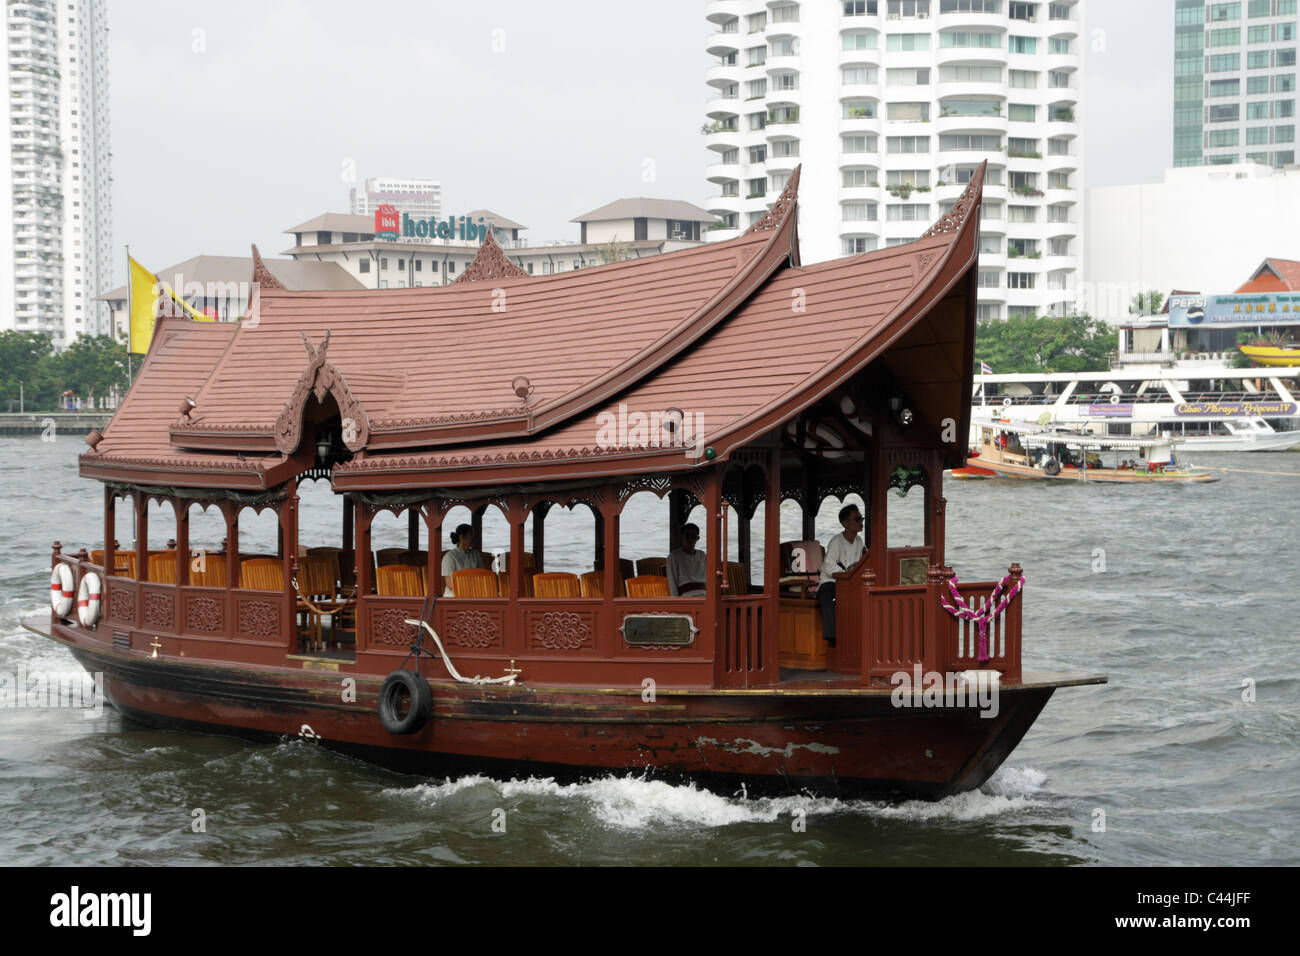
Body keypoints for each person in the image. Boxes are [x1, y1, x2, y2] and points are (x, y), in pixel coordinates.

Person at [817, 504, 867, 647]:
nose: (861, 522)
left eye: (861, 519)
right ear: (845, 523)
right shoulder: (836, 541)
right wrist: (846, 576)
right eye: (857, 519)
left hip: (851, 583)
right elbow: (828, 567)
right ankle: (832, 638)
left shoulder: (859, 542)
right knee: (827, 594)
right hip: (832, 582)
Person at [666, 523, 706, 597]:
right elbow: (672, 582)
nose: (690, 539)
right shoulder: (673, 557)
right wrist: (677, 603)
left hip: (704, 595)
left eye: (693, 536)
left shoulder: (702, 555)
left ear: (697, 538)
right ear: (682, 536)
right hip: (686, 596)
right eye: (687, 535)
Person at [441, 524, 482, 596]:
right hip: (454, 595)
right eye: (471, 535)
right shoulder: (450, 556)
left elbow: (482, 575)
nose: (474, 537)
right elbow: (449, 583)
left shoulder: (475, 554)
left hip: (474, 594)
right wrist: (467, 592)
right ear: (462, 537)